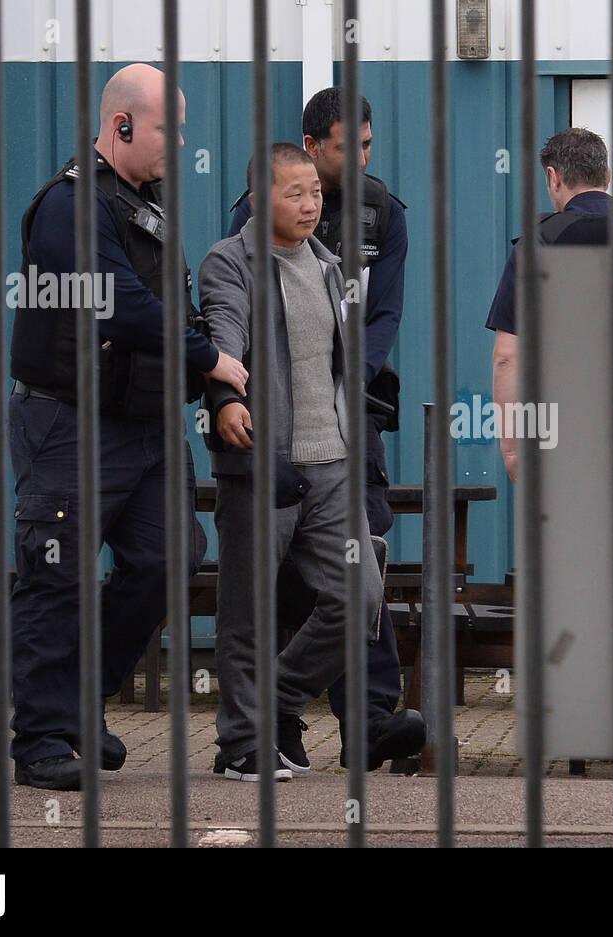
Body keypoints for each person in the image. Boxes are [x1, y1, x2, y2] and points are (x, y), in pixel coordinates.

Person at [8, 63, 248, 790]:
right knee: (57, 574)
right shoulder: (68, 206)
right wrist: (212, 359)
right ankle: (43, 737)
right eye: (165, 127)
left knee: (169, 557)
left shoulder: (148, 202)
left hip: (144, 426)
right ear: (120, 127)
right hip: (71, 423)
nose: (177, 141)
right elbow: (117, 304)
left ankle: (79, 699)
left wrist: (203, 370)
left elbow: (171, 302)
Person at [224, 88, 424, 771]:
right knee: (283, 578)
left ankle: (366, 720)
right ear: (312, 146)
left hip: (350, 418)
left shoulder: (384, 214)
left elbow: (386, 313)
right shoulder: (262, 206)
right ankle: (275, 725)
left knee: (362, 565)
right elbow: (239, 311)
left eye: (368, 145)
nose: (361, 158)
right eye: (348, 147)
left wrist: (351, 374)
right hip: (280, 429)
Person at [200, 143, 386, 780]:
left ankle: (271, 704)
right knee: (248, 611)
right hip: (263, 462)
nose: (311, 205)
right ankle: (240, 744)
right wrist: (225, 395)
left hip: (332, 462)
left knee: (358, 598)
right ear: (259, 199)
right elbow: (222, 330)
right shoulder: (231, 263)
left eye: (315, 192)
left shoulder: (331, 266)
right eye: (294, 193)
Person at [485, 127, 613, 481]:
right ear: (607, 176)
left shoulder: (538, 246)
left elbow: (507, 356)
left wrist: (512, 449)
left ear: (553, 177)